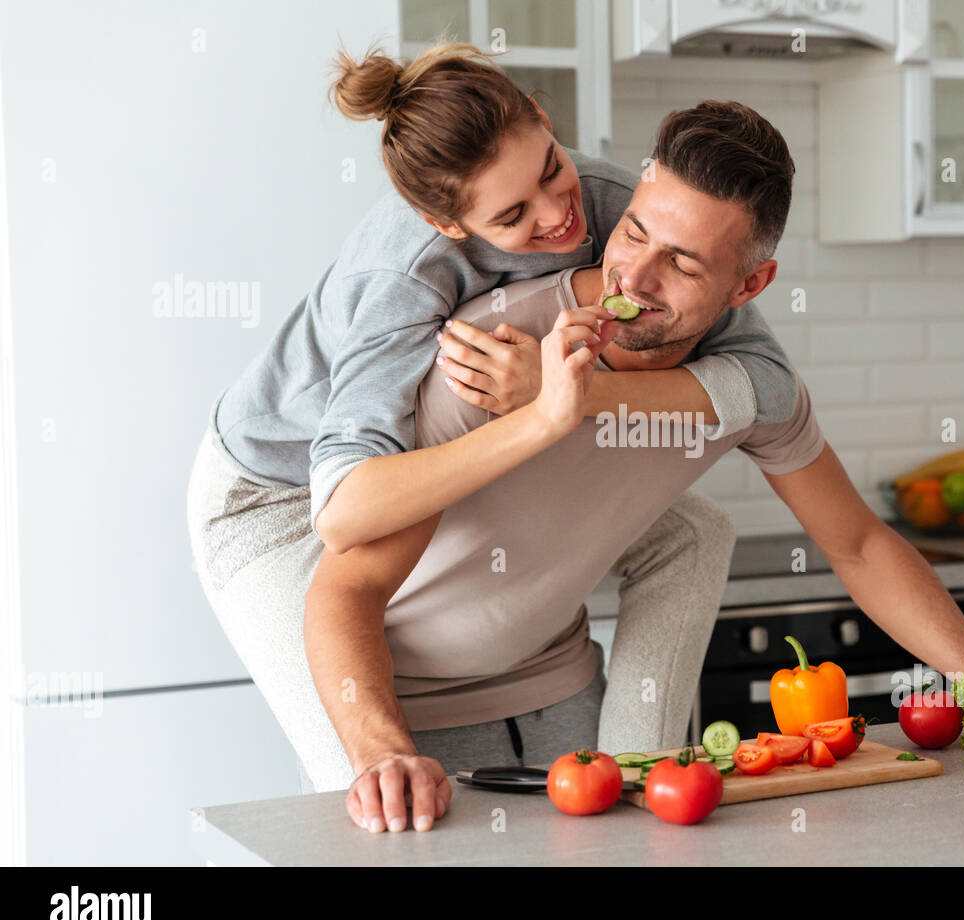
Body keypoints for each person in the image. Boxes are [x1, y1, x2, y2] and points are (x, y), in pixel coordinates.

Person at [306, 100, 964, 835]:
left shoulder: (746, 388)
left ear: (749, 287)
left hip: (553, 678)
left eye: (684, 263)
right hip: (404, 692)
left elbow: (858, 543)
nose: (635, 274)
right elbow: (348, 582)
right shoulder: (490, 355)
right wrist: (381, 752)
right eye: (633, 231)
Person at [186, 44, 797, 796]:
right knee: (362, 785)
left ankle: (642, 781)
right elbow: (344, 510)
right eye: (512, 215)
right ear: (444, 221)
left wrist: (576, 404)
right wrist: (544, 419)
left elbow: (761, 378)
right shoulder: (405, 275)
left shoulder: (612, 204)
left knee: (691, 530)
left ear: (543, 119)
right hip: (279, 495)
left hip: (426, 451)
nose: (559, 216)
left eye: (549, 168)